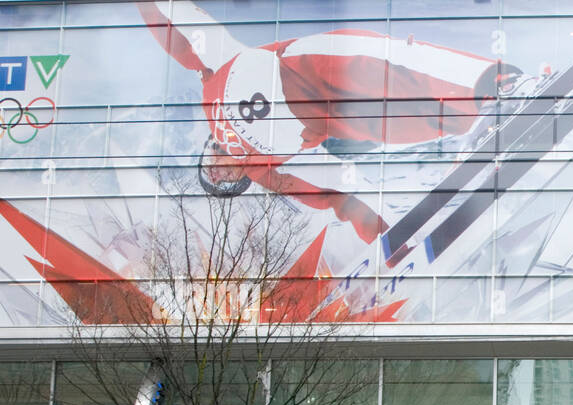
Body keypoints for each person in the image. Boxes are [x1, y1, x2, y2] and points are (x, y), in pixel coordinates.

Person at [137, 1, 545, 243]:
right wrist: (389, 237)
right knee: (397, 122)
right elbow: (337, 190)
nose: (218, 168)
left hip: (298, 64)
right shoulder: (266, 170)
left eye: (210, 168)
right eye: (222, 179)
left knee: (387, 67)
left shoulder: (212, 92)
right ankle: (483, 120)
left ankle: (499, 84)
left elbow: (185, 33)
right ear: (237, 180)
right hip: (323, 117)